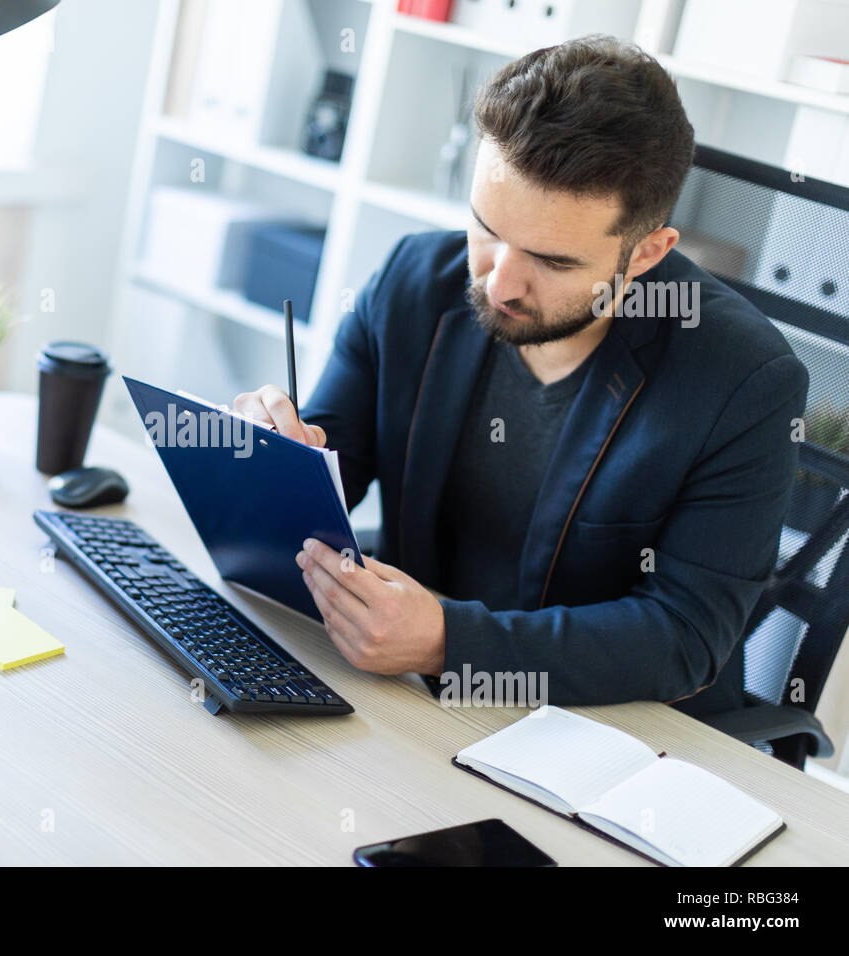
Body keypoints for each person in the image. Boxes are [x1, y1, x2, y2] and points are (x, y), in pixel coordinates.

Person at [232, 36, 808, 716]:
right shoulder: (416, 281)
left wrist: (450, 642)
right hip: (412, 701)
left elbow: (685, 636)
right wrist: (273, 458)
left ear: (647, 252)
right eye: (486, 227)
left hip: (601, 734)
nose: (498, 284)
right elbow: (339, 462)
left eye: (553, 261)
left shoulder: (746, 380)